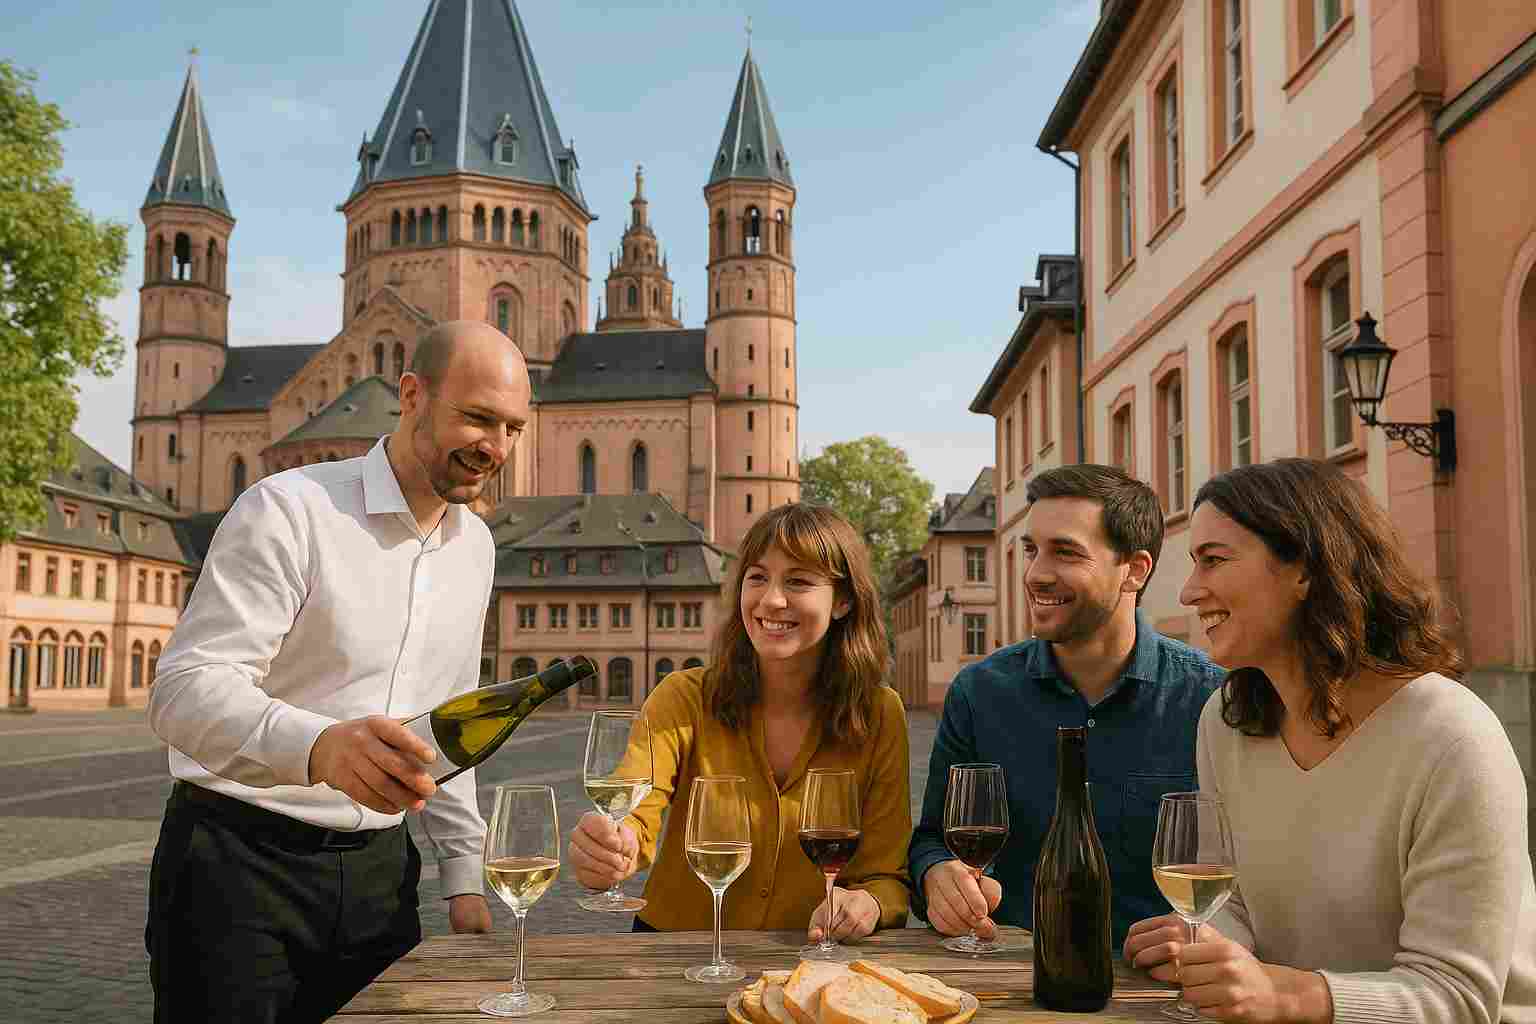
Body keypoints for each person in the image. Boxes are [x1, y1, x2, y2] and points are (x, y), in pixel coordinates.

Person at [144, 320, 531, 1023]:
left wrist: (463, 878)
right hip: (238, 866)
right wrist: (320, 746)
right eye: (476, 418)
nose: (494, 447)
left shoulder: (475, 545)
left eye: (512, 428)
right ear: (412, 395)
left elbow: (450, 717)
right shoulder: (289, 510)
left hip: (383, 874)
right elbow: (182, 691)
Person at [1122, 458, 1535, 1023]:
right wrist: (1211, 947)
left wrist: (1282, 994)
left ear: (1305, 570)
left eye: (1214, 560)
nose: (1191, 591)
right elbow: (1236, 902)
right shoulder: (1227, 718)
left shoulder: (1453, 739)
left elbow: (1458, 998)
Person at [908, 464, 1226, 947]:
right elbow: (931, 840)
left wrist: (1208, 933)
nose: (1036, 574)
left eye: (1066, 552)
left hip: (1156, 990)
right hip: (1010, 981)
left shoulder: (1209, 699)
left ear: (1134, 570)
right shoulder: (979, 693)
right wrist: (937, 875)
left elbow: (1251, 874)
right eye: (1031, 550)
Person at [567, 502, 912, 940]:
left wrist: (869, 903)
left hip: (803, 960)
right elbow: (637, 810)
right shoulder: (684, 697)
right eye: (757, 577)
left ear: (843, 601)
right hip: (675, 951)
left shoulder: (880, 714)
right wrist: (613, 848)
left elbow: (887, 875)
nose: (771, 600)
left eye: (799, 581)